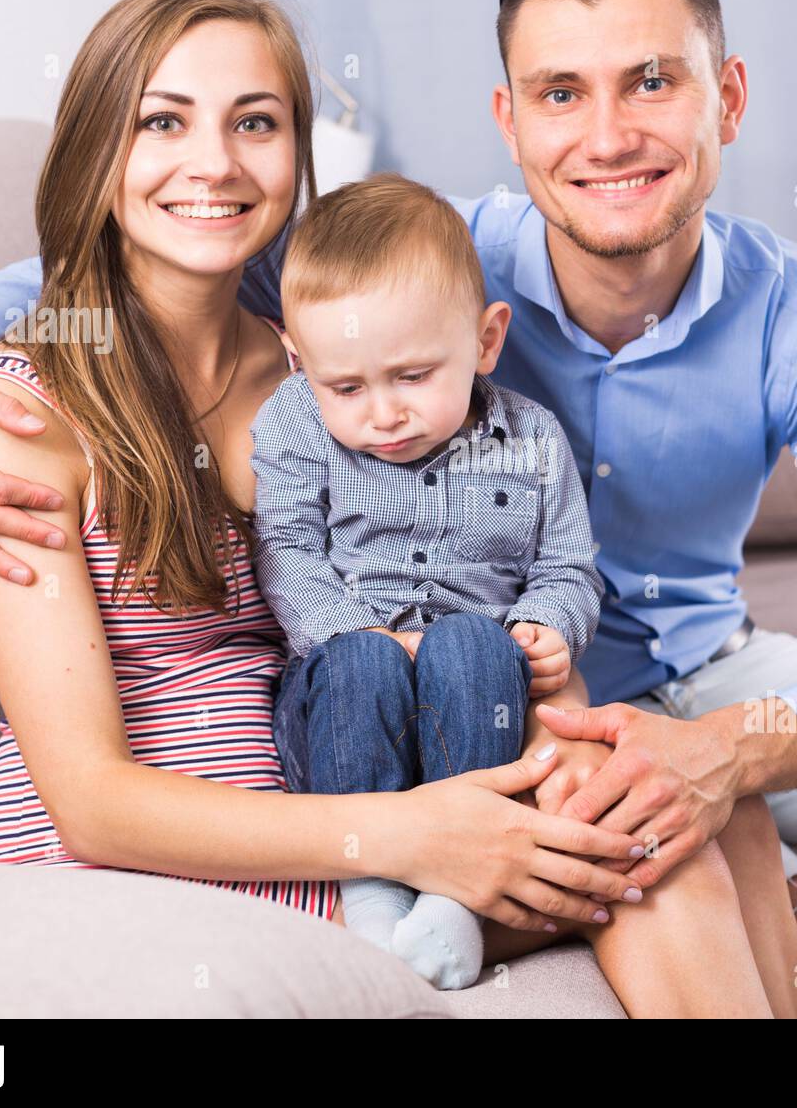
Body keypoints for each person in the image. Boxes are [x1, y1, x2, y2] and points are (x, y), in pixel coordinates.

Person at [0, 0, 797, 1018]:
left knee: (705, 807)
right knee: (647, 854)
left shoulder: (320, 369)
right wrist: (410, 833)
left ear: (299, 155)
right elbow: (91, 804)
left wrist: (554, 726)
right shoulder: (17, 420)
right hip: (165, 866)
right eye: (163, 122)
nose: (216, 163)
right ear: (99, 149)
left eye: (256, 122)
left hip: (342, 791)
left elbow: (445, 580)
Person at [251, 172, 603, 988]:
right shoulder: (295, 420)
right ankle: (371, 902)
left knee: (478, 645)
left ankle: (454, 901)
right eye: (347, 386)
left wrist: (552, 623)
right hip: (348, 687)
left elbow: (567, 565)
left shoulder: (535, 440)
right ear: (300, 360)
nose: (383, 413)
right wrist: (357, 630)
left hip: (477, 690)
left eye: (412, 376)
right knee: (362, 664)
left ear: (485, 341)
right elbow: (288, 550)